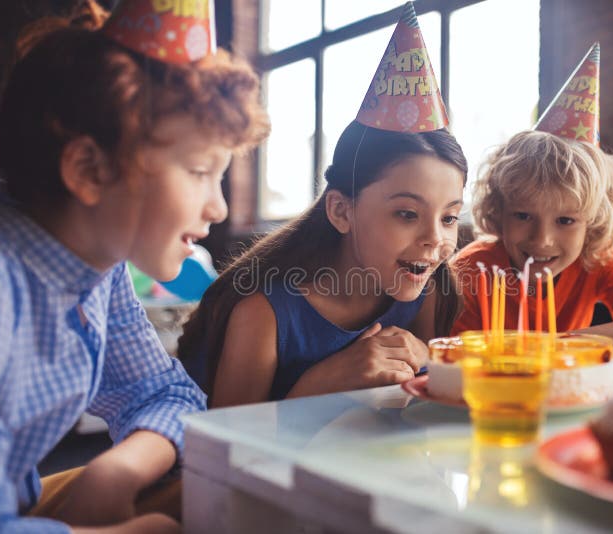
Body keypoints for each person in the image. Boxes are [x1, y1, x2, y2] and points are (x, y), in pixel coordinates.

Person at [0, 0, 269, 532]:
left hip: (17, 501)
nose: (221, 207)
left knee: (224, 487)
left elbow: (164, 393)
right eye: (198, 170)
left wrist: (116, 471)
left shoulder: (100, 266)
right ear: (90, 169)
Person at [178, 2, 468, 407]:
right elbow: (229, 450)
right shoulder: (263, 313)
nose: (435, 240)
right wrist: (321, 383)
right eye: (407, 214)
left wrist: (424, 357)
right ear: (341, 211)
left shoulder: (426, 290)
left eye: (450, 217)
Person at [451, 43, 613, 363]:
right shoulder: (473, 271)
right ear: (498, 211)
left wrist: (545, 347)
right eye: (523, 215)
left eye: (566, 220)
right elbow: (462, 363)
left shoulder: (599, 256)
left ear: (594, 221)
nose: (542, 240)